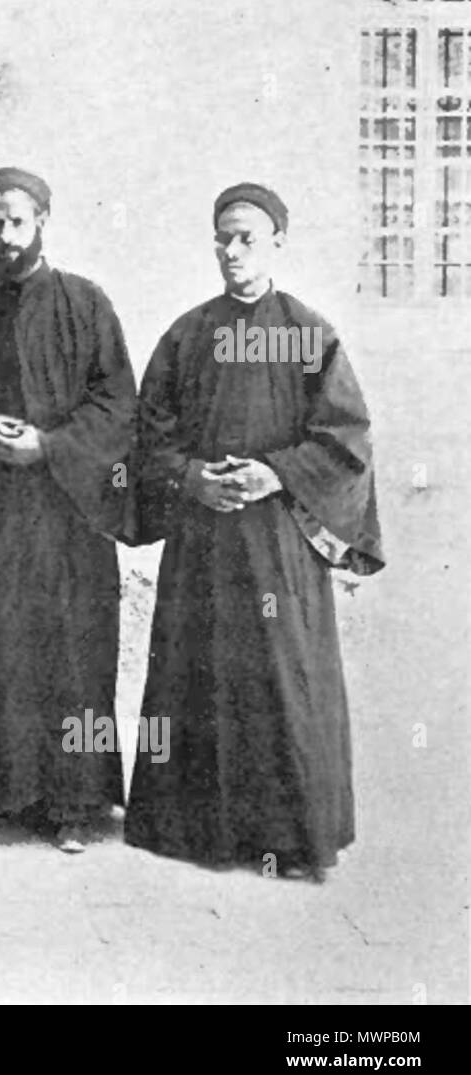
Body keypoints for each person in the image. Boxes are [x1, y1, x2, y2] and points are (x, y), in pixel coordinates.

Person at [125, 182, 384, 880]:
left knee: (283, 679)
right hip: (203, 543)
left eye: (247, 238)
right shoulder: (186, 335)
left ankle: (295, 835)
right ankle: (198, 831)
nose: (232, 251)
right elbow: (149, 438)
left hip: (277, 544)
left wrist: (274, 474)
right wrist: (190, 480)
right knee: (199, 675)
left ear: (277, 244)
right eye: (223, 238)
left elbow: (345, 439)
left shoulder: (309, 332)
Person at [0, 168, 137, 850]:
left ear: (44, 219)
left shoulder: (85, 304)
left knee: (73, 654)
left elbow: (116, 403)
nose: (3, 236)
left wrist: (50, 445)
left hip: (68, 512)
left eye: (16, 221)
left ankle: (76, 804)